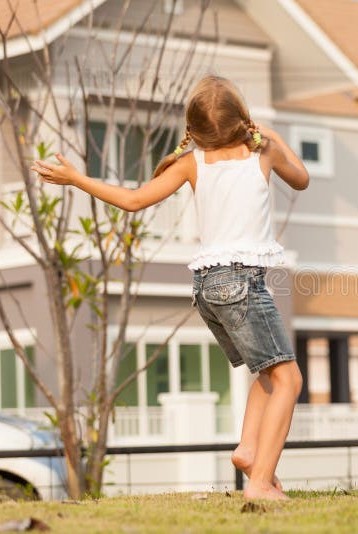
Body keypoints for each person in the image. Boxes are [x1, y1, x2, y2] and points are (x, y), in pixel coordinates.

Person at [32, 75, 309, 501]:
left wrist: (76, 179)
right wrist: (269, 135)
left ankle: (249, 450)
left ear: (194, 130)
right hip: (241, 281)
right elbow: (302, 179)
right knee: (288, 379)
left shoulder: (190, 162)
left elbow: (133, 200)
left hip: (207, 286)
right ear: (243, 119)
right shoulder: (262, 152)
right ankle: (259, 485)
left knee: (267, 372)